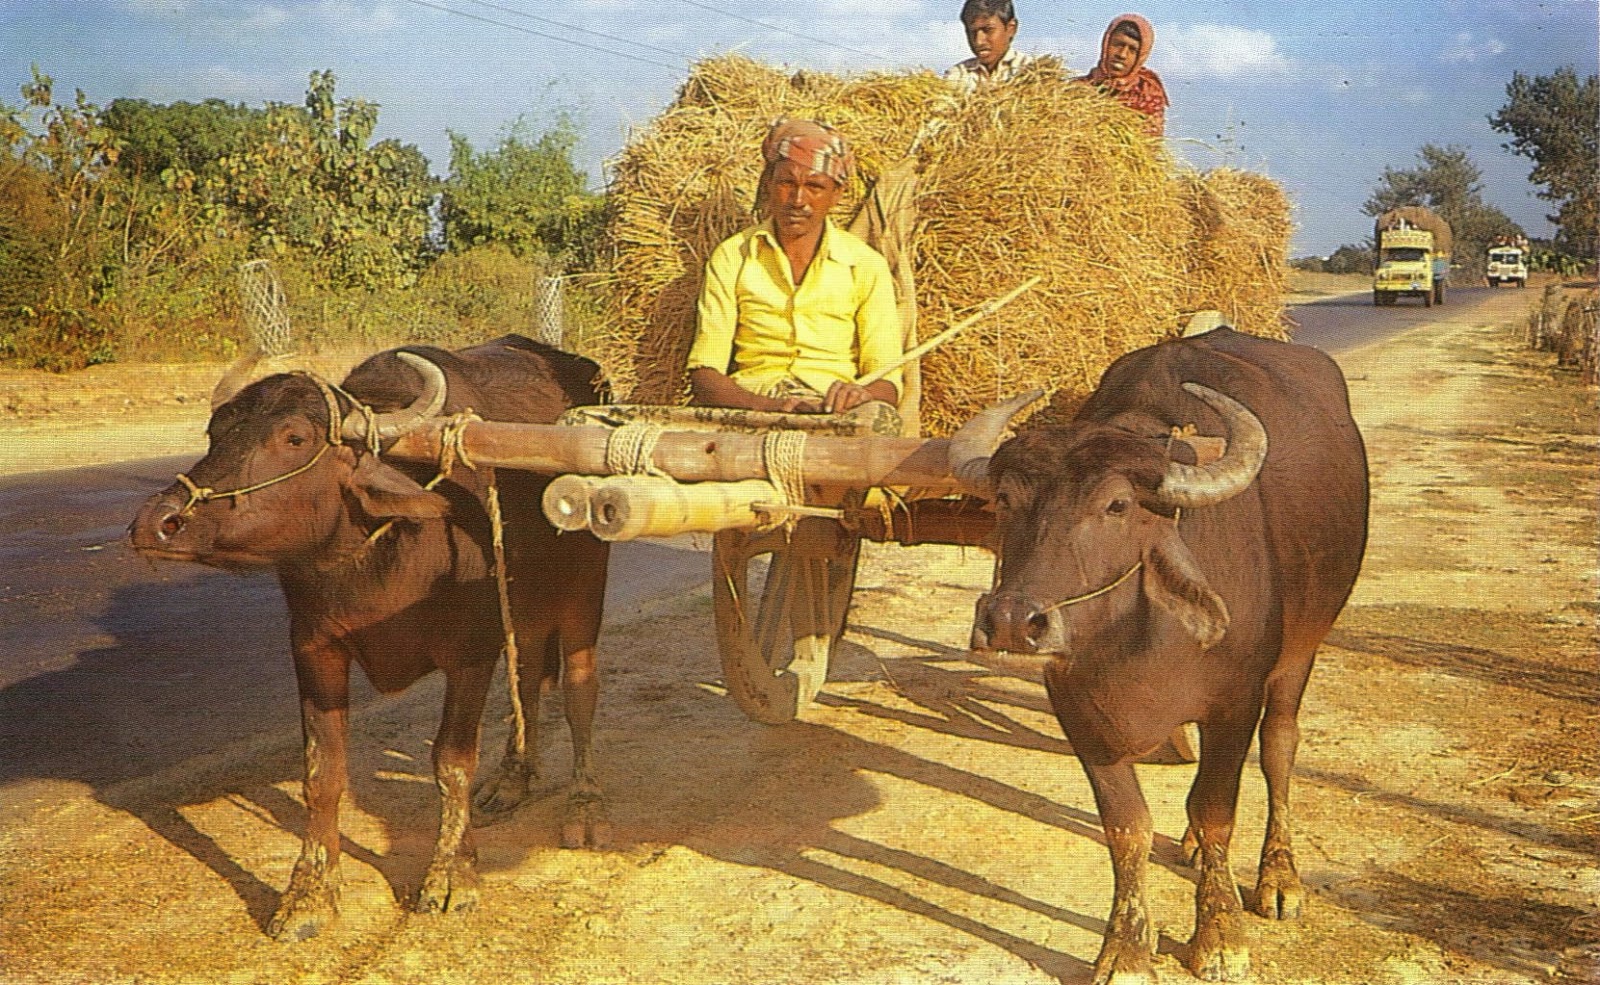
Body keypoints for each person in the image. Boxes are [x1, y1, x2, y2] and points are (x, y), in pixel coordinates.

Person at [687, 118, 903, 415]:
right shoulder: (733, 256)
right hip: (754, 402)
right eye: (787, 183)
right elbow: (704, 371)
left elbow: (888, 379)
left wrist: (860, 395)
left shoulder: (865, 265)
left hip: (831, 405)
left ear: (836, 195)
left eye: (815, 186)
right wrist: (768, 407)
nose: (798, 200)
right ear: (769, 186)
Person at [1076, 13, 1169, 136]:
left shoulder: (1146, 95)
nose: (1122, 54)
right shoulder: (1076, 89)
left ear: (1140, 56)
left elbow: (1149, 144)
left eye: (1132, 50)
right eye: (1118, 44)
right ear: (1106, 44)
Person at [945, 0, 1035, 94]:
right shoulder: (957, 75)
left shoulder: (1032, 72)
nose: (978, 41)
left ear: (1011, 29)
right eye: (972, 32)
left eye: (988, 30)